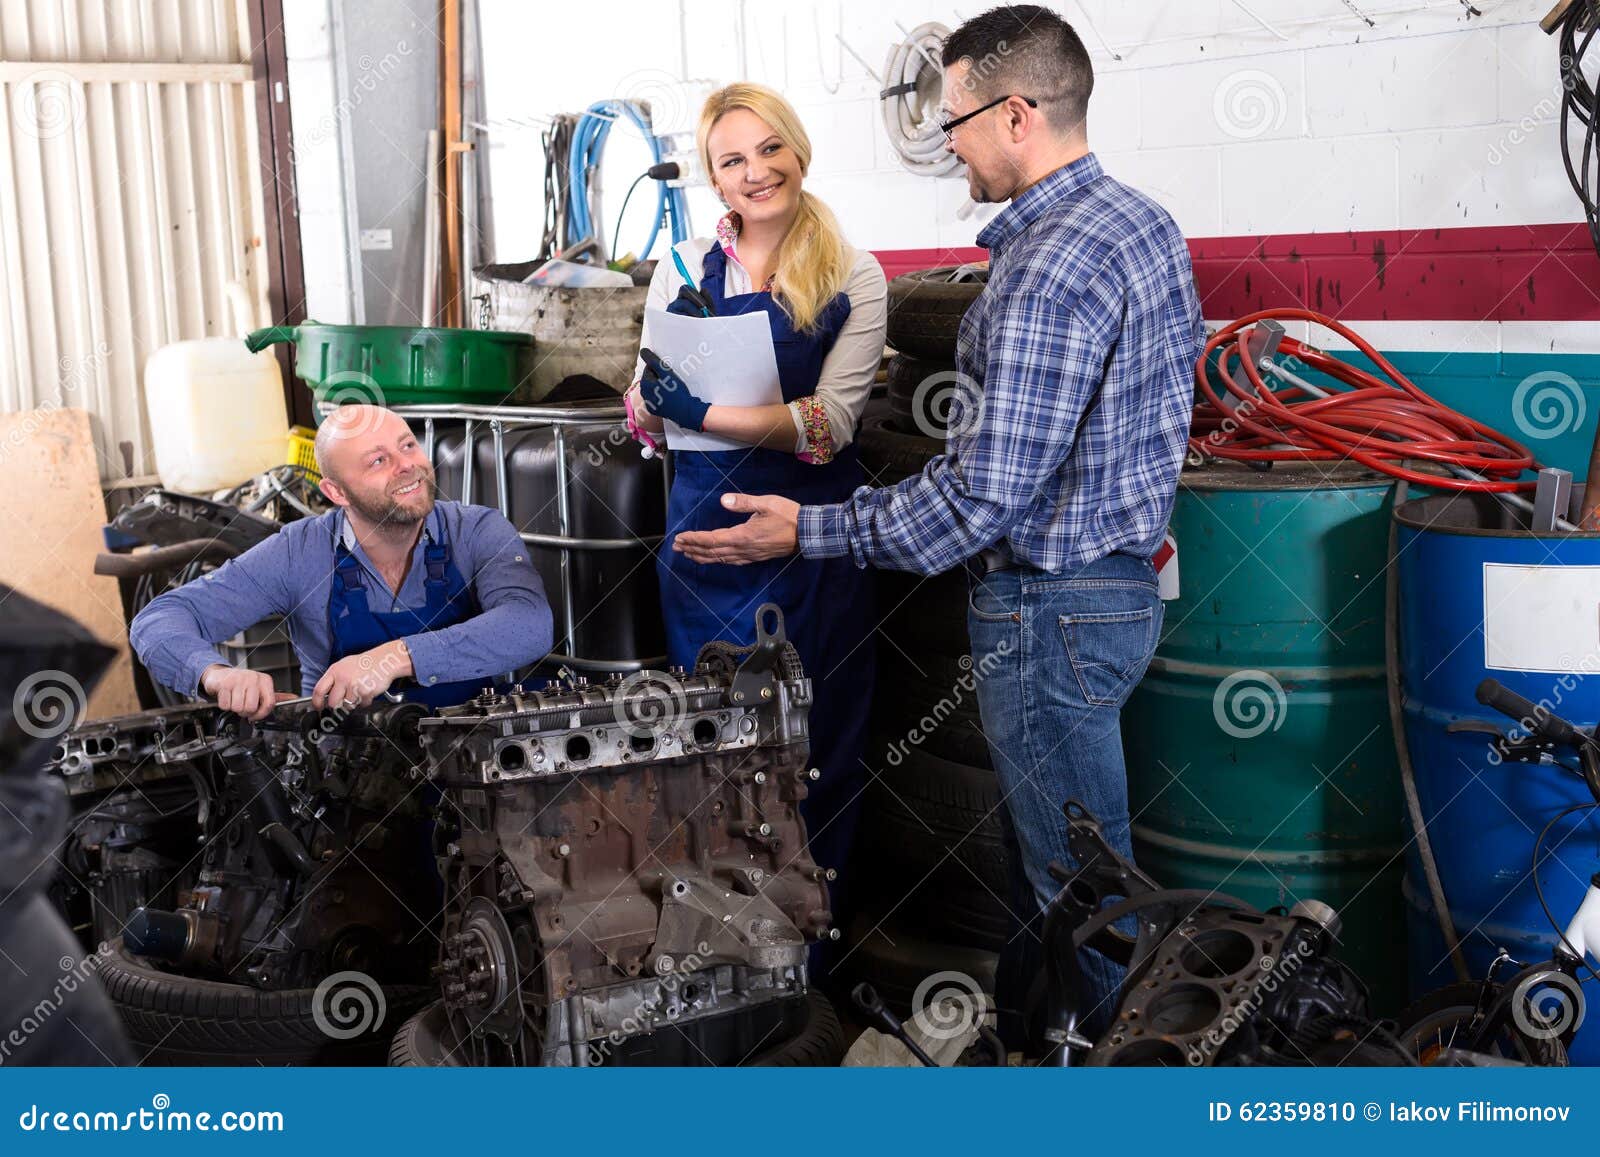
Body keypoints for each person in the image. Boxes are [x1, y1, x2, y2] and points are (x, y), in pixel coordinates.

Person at [672, 6, 1205, 1037]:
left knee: (1076, 887)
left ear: (1016, 115)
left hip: (1050, 608)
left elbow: (978, 498)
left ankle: (1106, 1077)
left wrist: (807, 530)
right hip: (1109, 591)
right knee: (1069, 867)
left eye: (953, 118)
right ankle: (1039, 1044)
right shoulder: (1140, 221)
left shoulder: (1047, 266)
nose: (944, 141)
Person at [624, 83, 888, 928]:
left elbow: (826, 426)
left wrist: (700, 410)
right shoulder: (682, 267)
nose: (756, 171)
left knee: (821, 756)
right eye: (732, 159)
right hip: (706, 549)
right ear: (712, 177)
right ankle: (728, 960)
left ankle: (809, 962)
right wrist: (646, 403)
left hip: (816, 547)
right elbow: (645, 403)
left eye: (769, 148)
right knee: (716, 758)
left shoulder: (854, 271)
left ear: (798, 151)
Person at [131, 404, 553, 715]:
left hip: (476, 759)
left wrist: (389, 659)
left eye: (408, 446)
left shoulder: (476, 530)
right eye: (378, 461)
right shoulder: (300, 552)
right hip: (349, 777)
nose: (407, 466)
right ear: (336, 493)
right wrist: (217, 675)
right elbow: (159, 619)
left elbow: (529, 624)